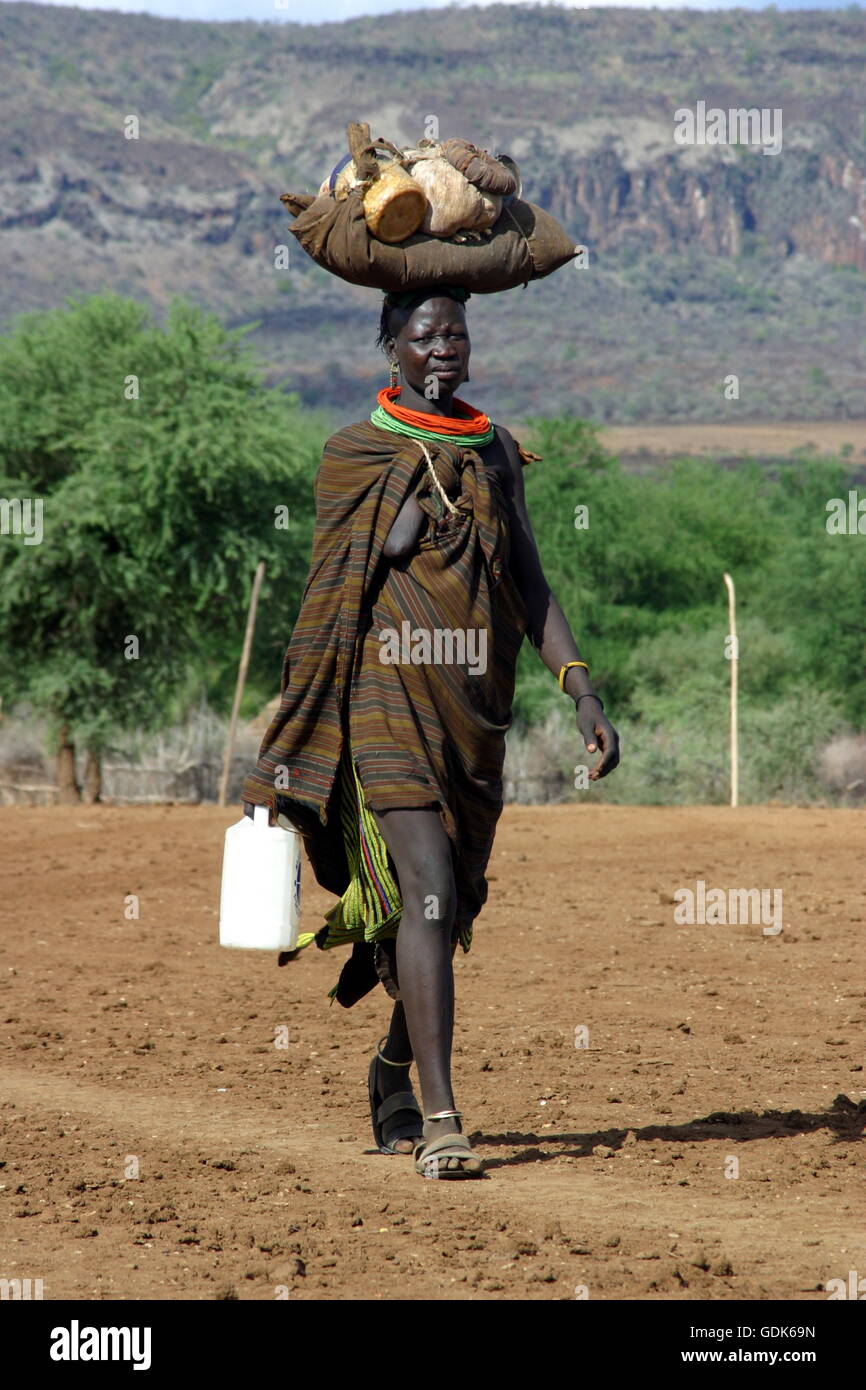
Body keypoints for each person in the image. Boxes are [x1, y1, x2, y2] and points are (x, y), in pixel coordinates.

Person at [242, 284, 620, 1178]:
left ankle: (392, 1070)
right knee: (429, 886)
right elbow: (337, 584)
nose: (445, 349)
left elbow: (528, 577)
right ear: (392, 348)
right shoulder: (355, 455)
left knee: (447, 906)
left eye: (457, 333)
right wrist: (402, 517)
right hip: (384, 699)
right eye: (425, 335)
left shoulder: (493, 451)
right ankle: (445, 1117)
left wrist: (581, 692)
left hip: (473, 712)